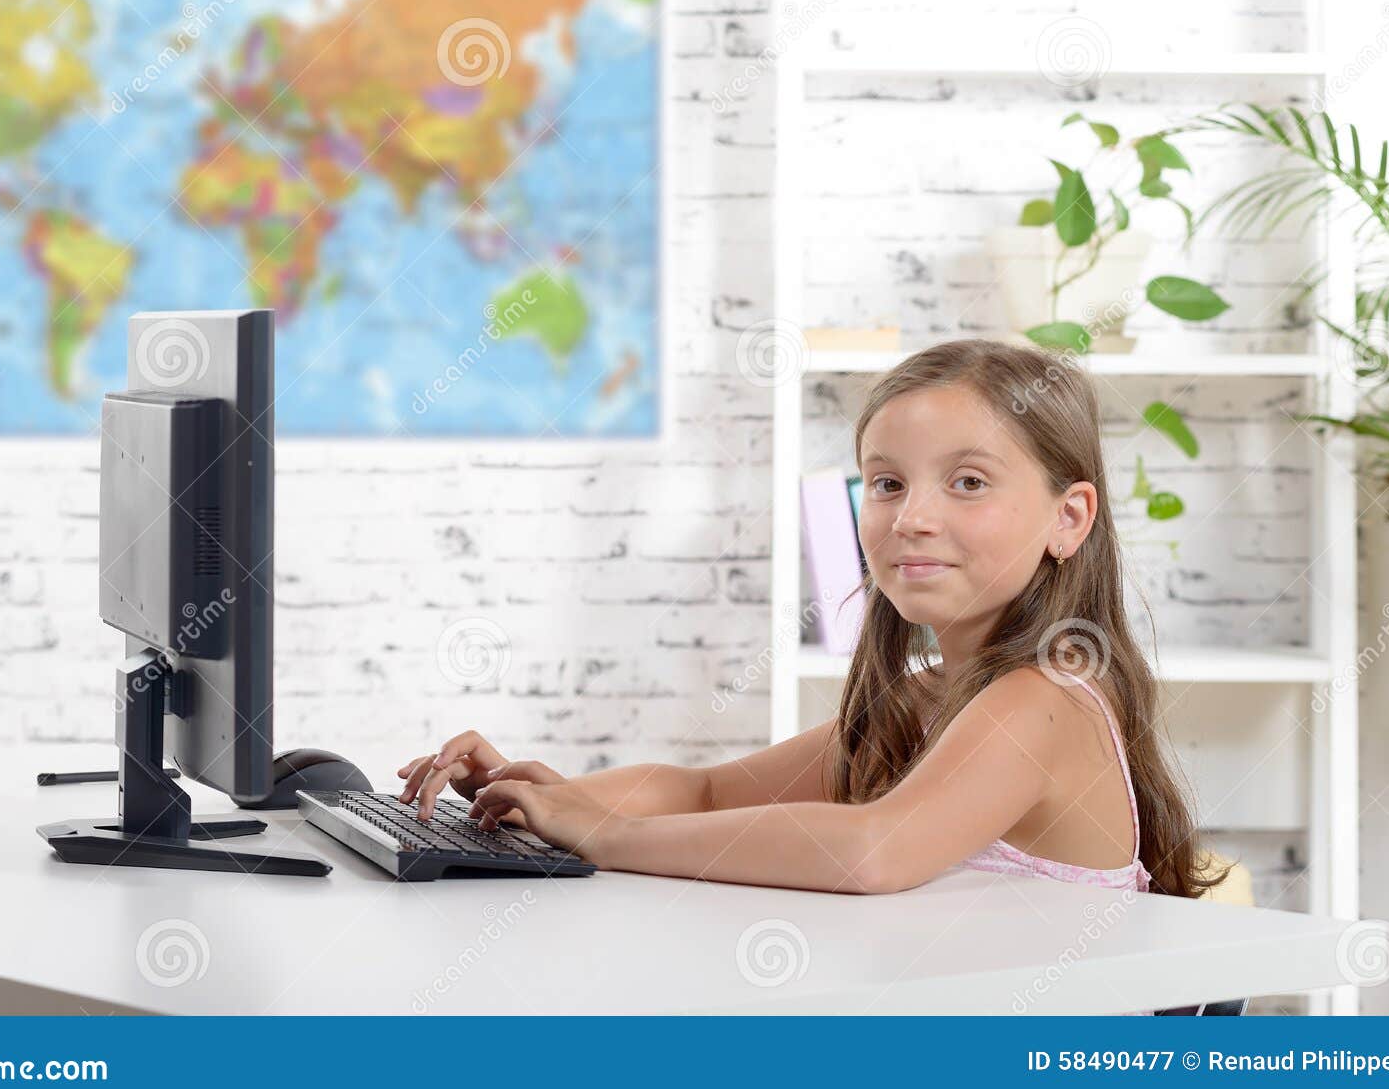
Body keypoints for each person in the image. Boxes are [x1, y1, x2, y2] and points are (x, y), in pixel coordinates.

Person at [397, 338, 1226, 902]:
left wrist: (604, 835)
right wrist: (540, 800)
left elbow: (874, 851)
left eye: (968, 482)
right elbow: (705, 790)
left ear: (1069, 518)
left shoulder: (1044, 699)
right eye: (889, 483)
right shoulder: (930, 700)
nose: (911, 518)